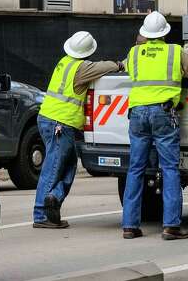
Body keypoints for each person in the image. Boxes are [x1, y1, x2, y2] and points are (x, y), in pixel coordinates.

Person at [121, 11, 188, 240]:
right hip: (163, 114)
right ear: (165, 32)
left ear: (145, 34)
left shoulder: (134, 53)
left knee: (136, 169)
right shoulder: (175, 51)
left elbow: (126, 69)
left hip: (137, 114)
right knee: (169, 168)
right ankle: (171, 226)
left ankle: (129, 226)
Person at [33, 31, 123, 229]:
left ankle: (53, 198)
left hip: (48, 119)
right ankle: (42, 214)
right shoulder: (82, 68)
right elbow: (103, 67)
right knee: (54, 168)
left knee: (69, 165)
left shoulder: (65, 62)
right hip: (60, 123)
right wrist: (119, 65)